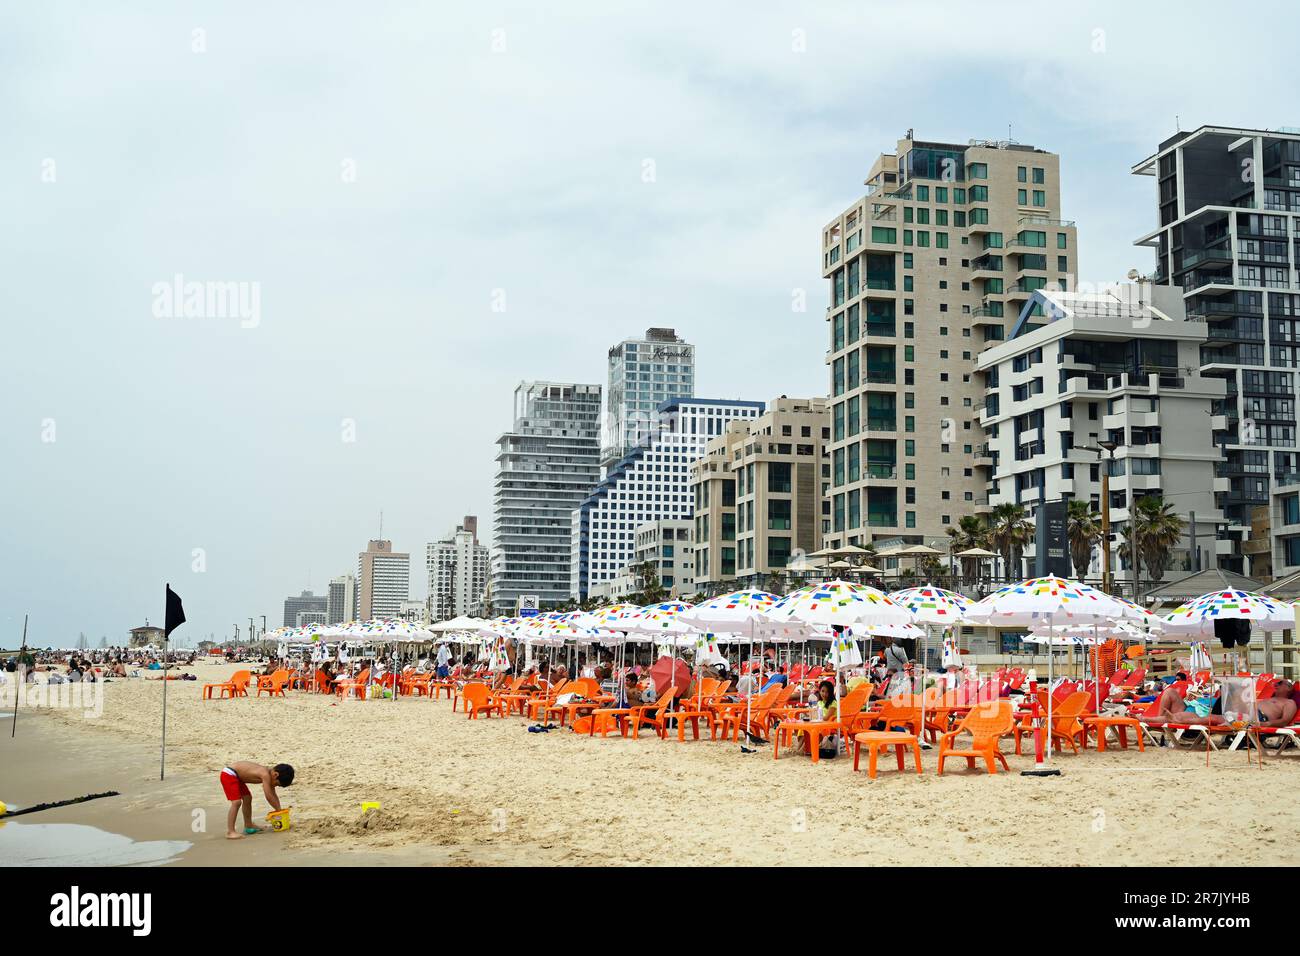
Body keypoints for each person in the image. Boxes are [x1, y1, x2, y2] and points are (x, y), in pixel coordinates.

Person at [221, 761, 294, 840]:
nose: (275, 786)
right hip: (229, 774)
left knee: (247, 798)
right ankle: (230, 832)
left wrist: (279, 810)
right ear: (275, 775)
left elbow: (273, 794)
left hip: (237, 777)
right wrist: (278, 811)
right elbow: (268, 795)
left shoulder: (270, 775)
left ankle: (248, 826)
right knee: (236, 802)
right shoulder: (265, 775)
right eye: (276, 784)